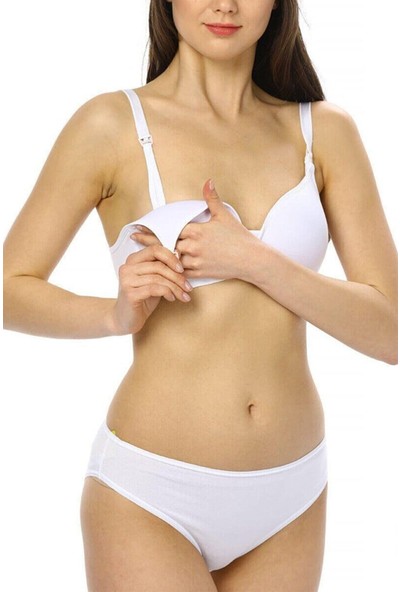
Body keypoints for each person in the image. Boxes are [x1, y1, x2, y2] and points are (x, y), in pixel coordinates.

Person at [3, 0, 398, 590]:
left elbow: (389, 332)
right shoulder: (111, 124)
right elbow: (10, 287)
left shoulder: (325, 132)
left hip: (290, 495)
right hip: (151, 496)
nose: (225, 5)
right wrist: (114, 315)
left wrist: (254, 260)